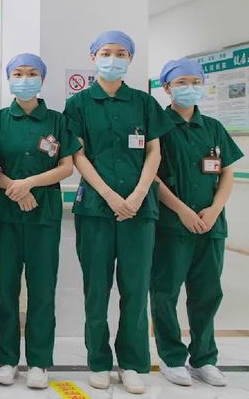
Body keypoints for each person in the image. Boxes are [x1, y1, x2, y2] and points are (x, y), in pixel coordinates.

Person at [64, 30, 174, 394]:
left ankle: (131, 363)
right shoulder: (79, 104)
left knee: (136, 288)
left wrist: (139, 194)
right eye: (107, 52)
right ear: (93, 57)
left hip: (140, 212)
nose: (113, 58)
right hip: (96, 210)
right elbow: (78, 155)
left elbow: (154, 152)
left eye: (121, 53)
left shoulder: (143, 102)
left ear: (130, 59)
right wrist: (111, 196)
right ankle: (98, 361)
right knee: (96, 289)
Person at [0, 54, 81, 389]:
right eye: (18, 73)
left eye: (32, 73)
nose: (25, 79)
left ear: (42, 79)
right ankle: (6, 359)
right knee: (5, 288)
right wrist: (16, 189)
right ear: (9, 78)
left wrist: (29, 184)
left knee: (42, 289)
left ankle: (39, 361)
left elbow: (67, 166)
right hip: (4, 215)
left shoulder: (57, 121)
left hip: (44, 214)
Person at [151, 58, 243, 388]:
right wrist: (181, 211)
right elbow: (151, 175)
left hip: (210, 226)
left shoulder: (213, 127)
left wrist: (215, 209)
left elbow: (227, 172)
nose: (189, 88)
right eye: (181, 82)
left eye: (195, 82)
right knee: (165, 292)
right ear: (167, 87)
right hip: (171, 226)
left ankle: (204, 358)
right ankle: (171, 357)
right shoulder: (158, 126)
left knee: (207, 293)